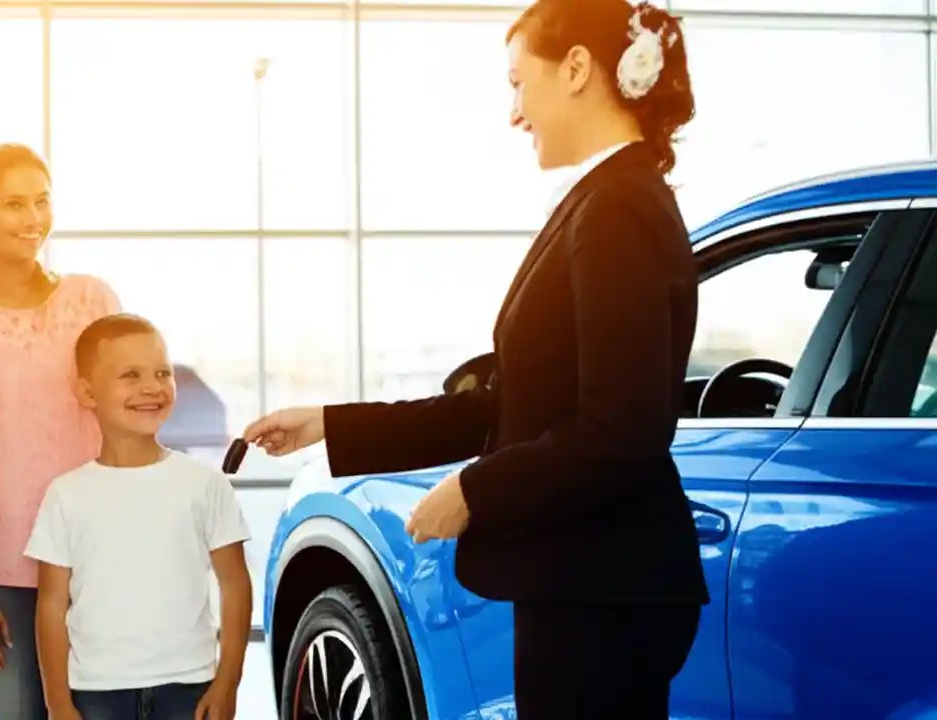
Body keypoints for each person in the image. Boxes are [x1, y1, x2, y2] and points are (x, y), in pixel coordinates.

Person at [244, 0, 707, 717]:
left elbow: (624, 431)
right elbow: (504, 403)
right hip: (593, 586)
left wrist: (474, 491)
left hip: (599, 593)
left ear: (578, 69)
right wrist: (330, 426)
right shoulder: (604, 199)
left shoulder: (618, 209)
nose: (515, 113)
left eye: (520, 82)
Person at [0, 143, 121, 720]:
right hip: (5, 564)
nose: (32, 219)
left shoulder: (92, 299)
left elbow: (130, 426)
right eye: (13, 204)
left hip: (99, 554)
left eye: (42, 201)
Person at [25, 313, 252, 720]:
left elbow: (235, 585)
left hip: (189, 686)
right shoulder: (65, 495)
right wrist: (57, 702)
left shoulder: (204, 484)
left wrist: (228, 682)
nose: (152, 387)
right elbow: (51, 605)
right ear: (87, 392)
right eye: (130, 375)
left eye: (162, 372)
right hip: (96, 692)